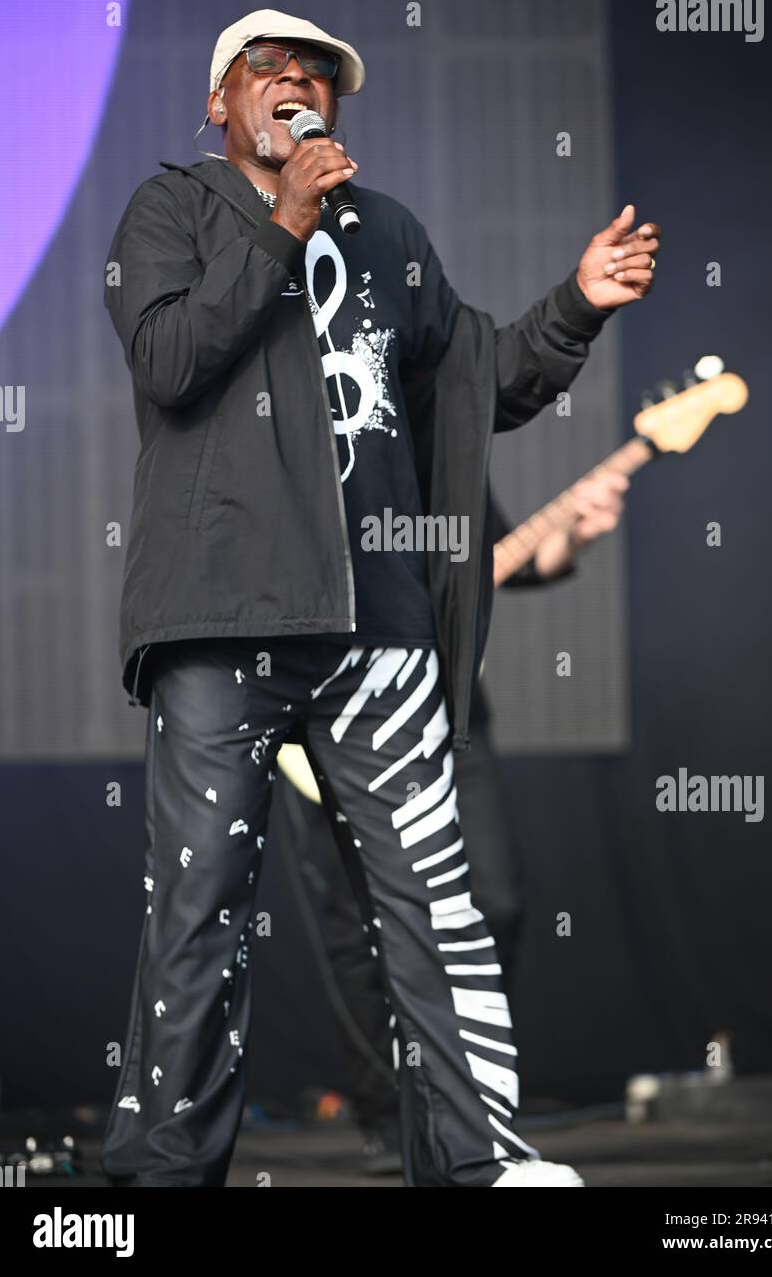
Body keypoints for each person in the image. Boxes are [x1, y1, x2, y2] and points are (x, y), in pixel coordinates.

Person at [100, 7, 660, 1188]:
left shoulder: (390, 233)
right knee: (199, 909)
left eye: (318, 76)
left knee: (437, 906)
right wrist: (284, 219)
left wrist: (578, 302)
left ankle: (481, 1160)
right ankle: (160, 1176)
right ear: (220, 102)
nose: (297, 85)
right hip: (223, 617)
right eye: (270, 71)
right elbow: (169, 361)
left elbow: (480, 383)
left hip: (377, 631)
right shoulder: (172, 210)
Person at [308, 473, 630, 1171]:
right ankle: (386, 1112)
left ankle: (464, 1091)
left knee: (496, 901)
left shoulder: (448, 443)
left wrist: (571, 533)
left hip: (452, 719)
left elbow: (506, 562)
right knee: (359, 924)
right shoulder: (317, 444)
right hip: (339, 715)